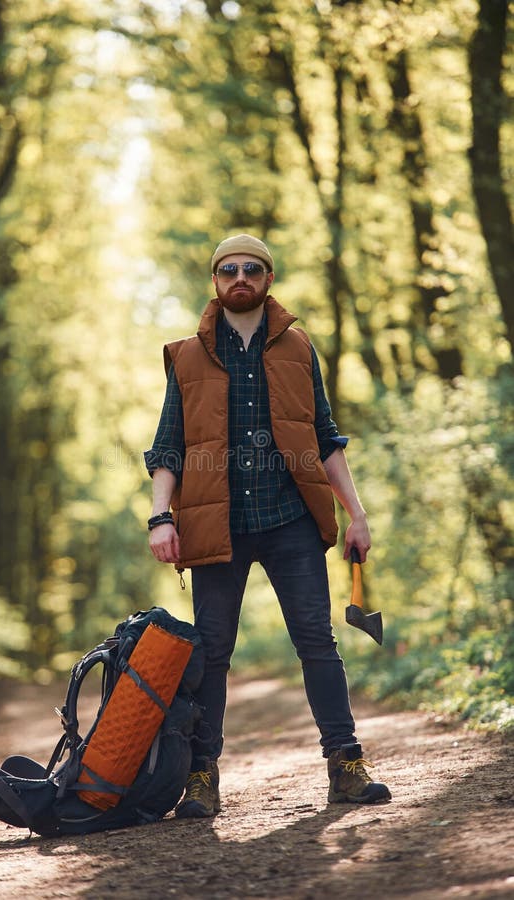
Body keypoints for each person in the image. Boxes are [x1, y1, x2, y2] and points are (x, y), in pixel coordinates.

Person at [144, 233, 391, 817]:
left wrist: (357, 514)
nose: (240, 278)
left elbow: (325, 438)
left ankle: (345, 766)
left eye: (251, 269)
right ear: (215, 281)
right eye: (228, 269)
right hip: (216, 526)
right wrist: (160, 516)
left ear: (268, 279)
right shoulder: (187, 356)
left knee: (318, 643)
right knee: (212, 653)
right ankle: (201, 777)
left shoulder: (299, 348)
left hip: (290, 521)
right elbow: (168, 445)